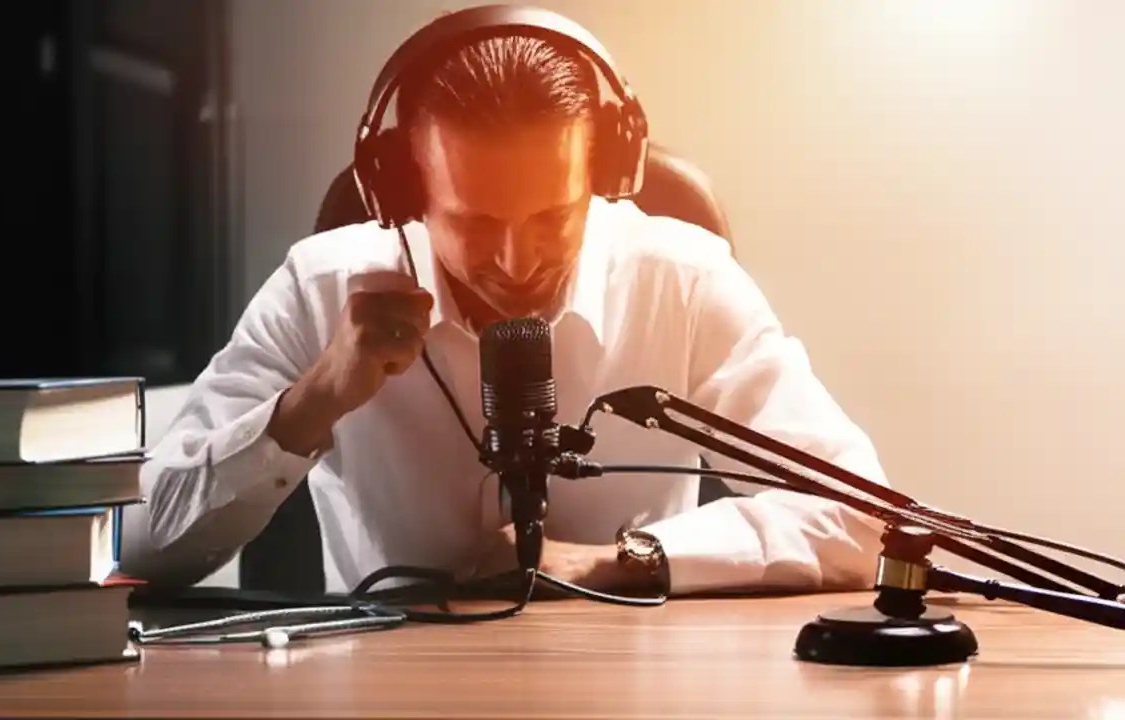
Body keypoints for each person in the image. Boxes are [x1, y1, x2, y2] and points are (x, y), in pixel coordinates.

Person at [120, 10, 890, 598]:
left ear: (604, 173)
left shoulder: (681, 280)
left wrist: (613, 563)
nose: (519, 264)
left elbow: (859, 519)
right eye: (476, 224)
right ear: (408, 192)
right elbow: (134, 541)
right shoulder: (322, 285)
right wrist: (313, 399)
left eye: (555, 218)